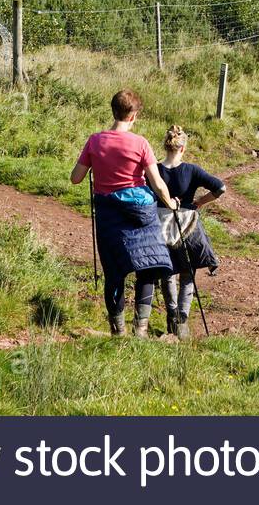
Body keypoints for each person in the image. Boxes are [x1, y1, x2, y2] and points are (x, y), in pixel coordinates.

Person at [70, 89, 178, 338]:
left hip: (108, 214)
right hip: (141, 214)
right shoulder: (140, 143)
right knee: (148, 267)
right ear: (133, 116)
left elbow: (76, 178)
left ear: (113, 111)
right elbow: (157, 183)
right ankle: (140, 329)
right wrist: (170, 203)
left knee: (114, 272)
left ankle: (117, 331)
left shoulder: (94, 141)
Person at [156, 124, 223, 338]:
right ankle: (183, 320)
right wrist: (199, 202)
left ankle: (172, 314)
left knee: (166, 272)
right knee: (187, 273)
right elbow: (220, 187)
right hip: (187, 226)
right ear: (183, 148)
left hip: (160, 225)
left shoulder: (154, 169)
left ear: (166, 146)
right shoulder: (192, 170)